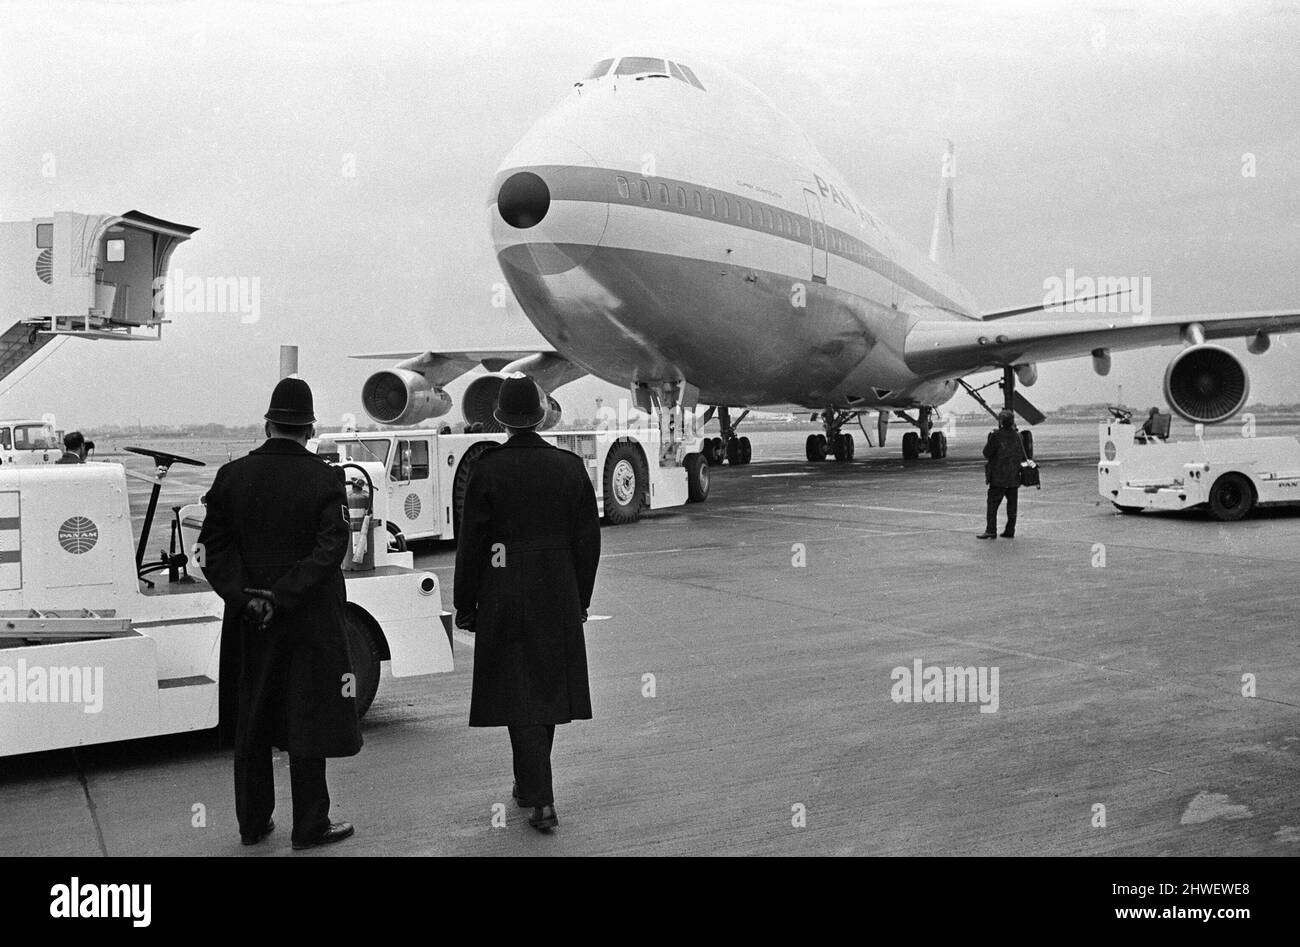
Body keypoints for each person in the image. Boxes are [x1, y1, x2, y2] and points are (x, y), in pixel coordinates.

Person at [198, 377, 362, 850]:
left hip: (250, 619)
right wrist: (282, 596)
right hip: (308, 616)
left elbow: (211, 548)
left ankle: (253, 823)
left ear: (268, 424)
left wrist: (247, 597)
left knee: (253, 719)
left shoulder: (231, 477)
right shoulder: (323, 478)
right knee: (306, 716)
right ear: (309, 429)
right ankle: (310, 826)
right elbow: (330, 548)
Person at [454, 374, 601, 832]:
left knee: (520, 691)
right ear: (540, 417)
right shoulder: (569, 466)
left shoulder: (486, 467)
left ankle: (540, 797)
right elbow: (588, 541)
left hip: (503, 590)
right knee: (547, 688)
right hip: (556, 589)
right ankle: (529, 784)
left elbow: (472, 543)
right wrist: (580, 595)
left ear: (500, 418)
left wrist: (466, 602)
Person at [979, 409, 1025, 539]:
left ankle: (991, 530)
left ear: (1001, 422)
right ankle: (1010, 530)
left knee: (992, 505)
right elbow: (1022, 454)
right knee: (1012, 506)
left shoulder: (996, 436)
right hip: (1014, 477)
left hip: (998, 477)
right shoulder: (1018, 436)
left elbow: (986, 453)